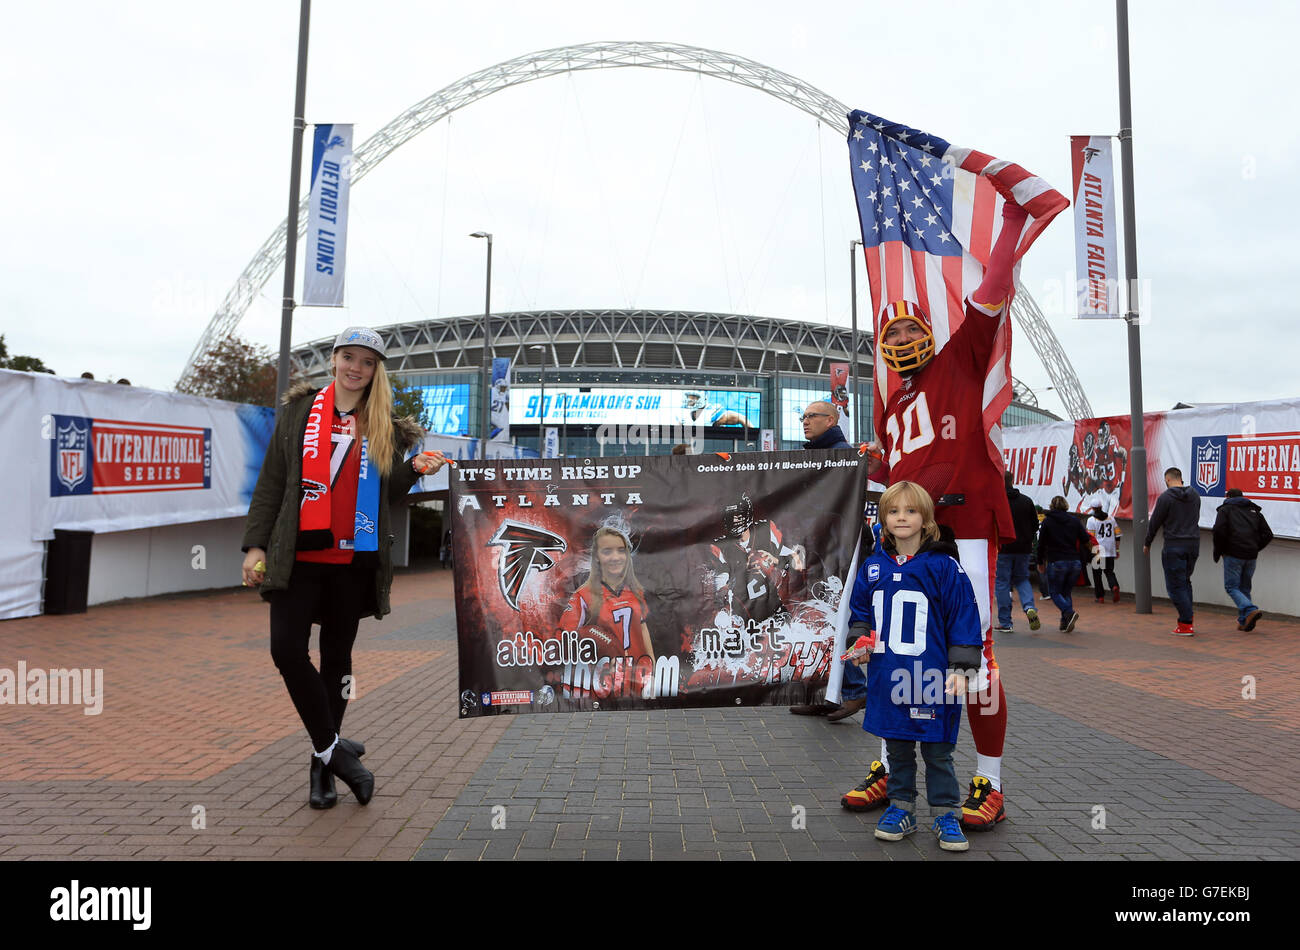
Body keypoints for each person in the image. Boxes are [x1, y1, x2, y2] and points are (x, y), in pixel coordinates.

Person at [845, 201, 1028, 831]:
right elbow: (886, 479)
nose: (899, 341)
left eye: (906, 331)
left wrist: (1009, 225)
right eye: (888, 335)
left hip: (961, 531)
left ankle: (990, 780)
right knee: (894, 652)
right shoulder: (892, 408)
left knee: (971, 658)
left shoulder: (960, 359)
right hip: (903, 540)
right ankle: (893, 770)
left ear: (925, 330)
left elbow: (993, 291)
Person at [241, 326, 446, 810]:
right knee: (287, 651)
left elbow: (386, 494)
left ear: (377, 371)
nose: (356, 367)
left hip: (353, 562)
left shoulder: (385, 426)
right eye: (348, 357)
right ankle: (337, 753)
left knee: (337, 662)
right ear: (334, 360)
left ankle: (321, 768)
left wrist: (414, 470)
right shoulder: (297, 412)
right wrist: (254, 546)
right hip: (299, 557)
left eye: (367, 361)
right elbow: (272, 482)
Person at [847, 481, 982, 852]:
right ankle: (900, 807)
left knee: (937, 750)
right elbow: (860, 613)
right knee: (897, 747)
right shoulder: (873, 567)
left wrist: (962, 667)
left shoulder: (942, 565)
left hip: (930, 676)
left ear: (925, 519)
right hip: (887, 675)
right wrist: (860, 643)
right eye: (893, 511)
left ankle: (946, 813)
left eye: (910, 510)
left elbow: (963, 616)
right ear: (883, 520)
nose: (901, 517)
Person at [789, 400, 862, 721]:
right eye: (803, 417)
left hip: (837, 553)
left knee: (838, 620)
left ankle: (855, 692)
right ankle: (823, 693)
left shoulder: (843, 455)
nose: (805, 421)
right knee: (816, 622)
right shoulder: (817, 453)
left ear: (831, 419)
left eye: (812, 416)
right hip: (815, 550)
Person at [560, 522, 654, 663]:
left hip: (640, 677)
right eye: (607, 551)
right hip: (605, 680)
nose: (615, 557)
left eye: (621, 550)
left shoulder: (635, 591)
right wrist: (597, 644)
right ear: (597, 556)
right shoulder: (583, 595)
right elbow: (565, 640)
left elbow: (642, 628)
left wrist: (653, 667)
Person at [1143, 467, 1202, 636]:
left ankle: (1185, 623)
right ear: (1180, 478)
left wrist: (1147, 542)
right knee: (1185, 581)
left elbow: (1155, 522)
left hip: (1174, 545)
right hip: (1193, 544)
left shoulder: (1166, 497)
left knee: (1175, 586)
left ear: (1167, 480)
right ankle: (1187, 620)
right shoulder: (1195, 495)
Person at [1211, 488, 1273, 632]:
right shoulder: (1254, 511)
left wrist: (1219, 551)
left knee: (1231, 587)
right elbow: (1268, 534)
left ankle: (1250, 609)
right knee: (1244, 588)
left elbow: (1219, 531)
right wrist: (1255, 547)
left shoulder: (1225, 510)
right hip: (1251, 556)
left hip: (1233, 554)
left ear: (1227, 496)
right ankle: (1244, 620)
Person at [994, 471, 1042, 634]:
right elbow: (1035, 525)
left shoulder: (998, 501)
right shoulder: (1026, 501)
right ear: (1012, 480)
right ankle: (1029, 607)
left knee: (1002, 583)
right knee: (1022, 579)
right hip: (1023, 549)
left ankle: (1006, 622)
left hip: (1003, 548)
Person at [1035, 496, 1092, 633]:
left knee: (1054, 592)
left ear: (1052, 506)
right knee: (1066, 592)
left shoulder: (1048, 522)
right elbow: (1086, 539)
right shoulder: (1074, 521)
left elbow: (1041, 544)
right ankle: (1065, 622)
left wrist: (1040, 561)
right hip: (1074, 562)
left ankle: (1069, 612)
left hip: (1056, 561)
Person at [1085, 504, 1120, 602]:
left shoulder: (1091, 520)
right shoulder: (1111, 518)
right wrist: (1117, 550)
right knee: (1109, 571)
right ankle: (1114, 586)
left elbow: (1089, 538)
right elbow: (1118, 536)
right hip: (1109, 549)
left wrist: (1089, 552)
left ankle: (1100, 597)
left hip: (1097, 549)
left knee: (1097, 574)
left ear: (1092, 508)